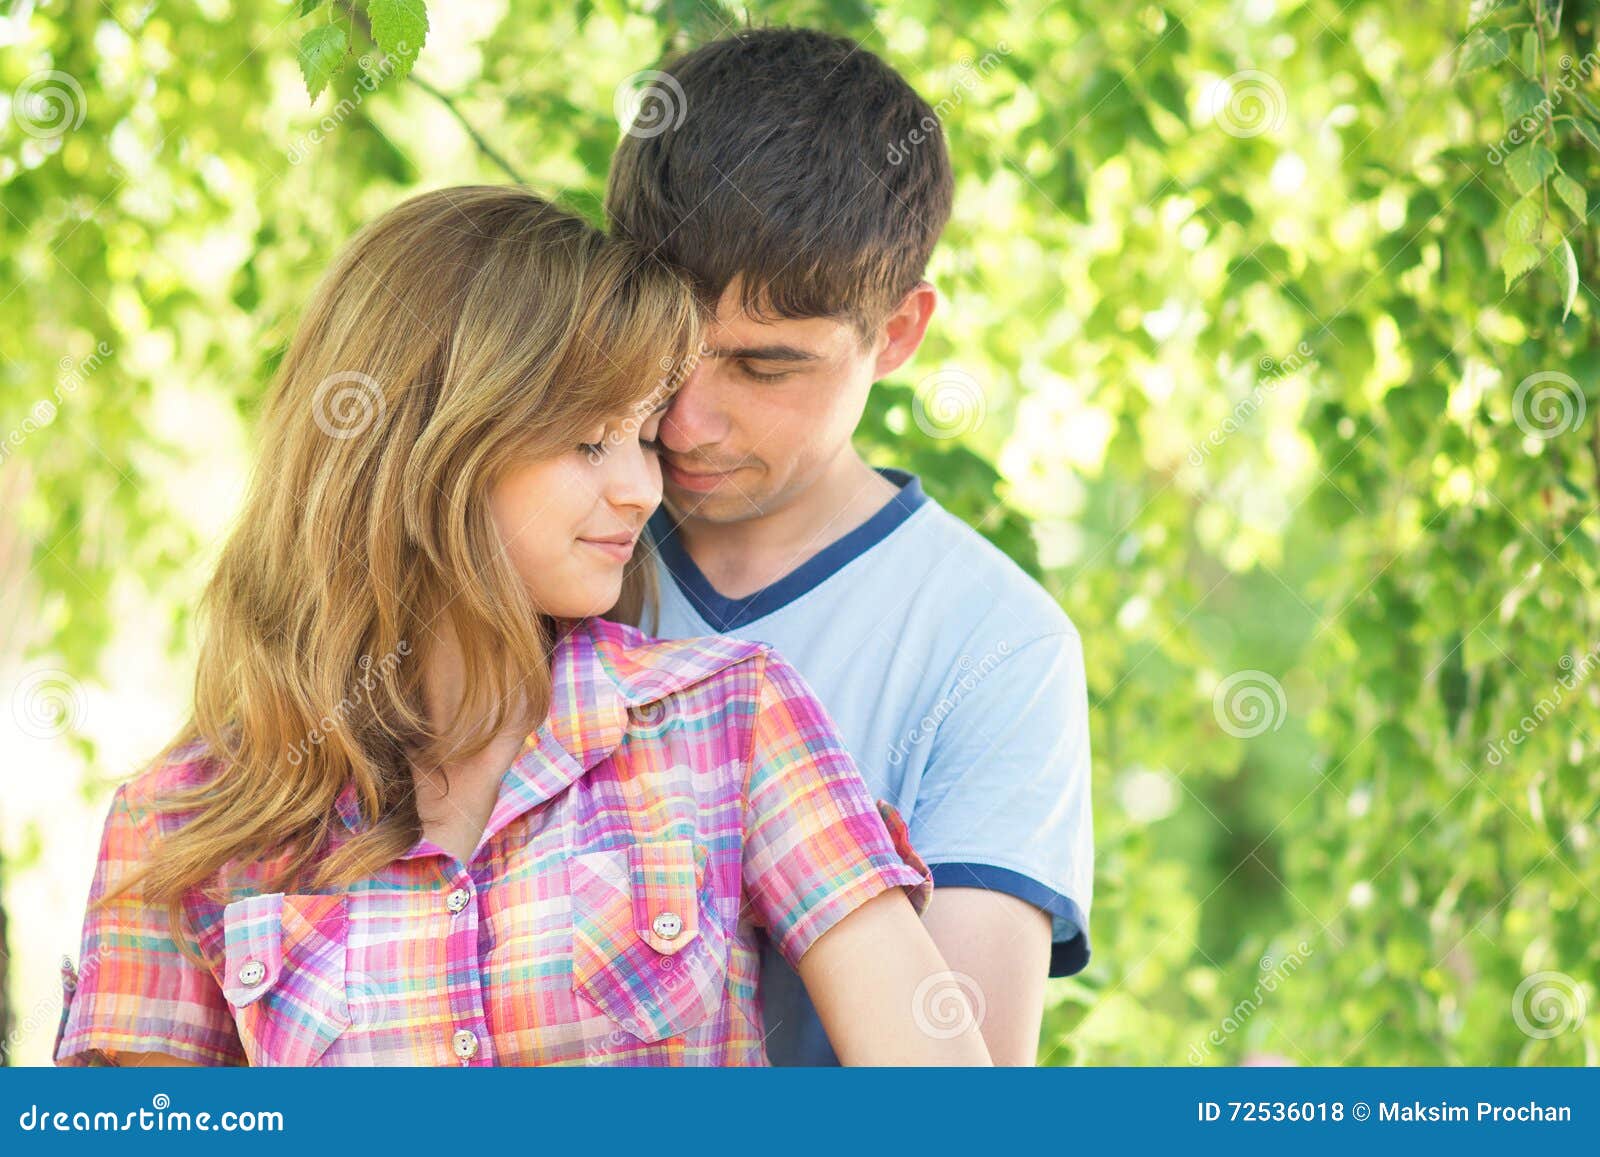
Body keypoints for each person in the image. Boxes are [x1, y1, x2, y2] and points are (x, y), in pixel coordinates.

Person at [53, 186, 990, 1067]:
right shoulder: (183, 822)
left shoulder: (731, 717)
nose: (641, 487)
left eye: (644, 435)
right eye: (590, 441)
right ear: (428, 447)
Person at [607, 28, 1094, 1065]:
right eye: (664, 346)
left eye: (765, 368)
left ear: (900, 333)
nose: (688, 423)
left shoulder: (993, 646)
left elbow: (964, 1089)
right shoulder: (542, 537)